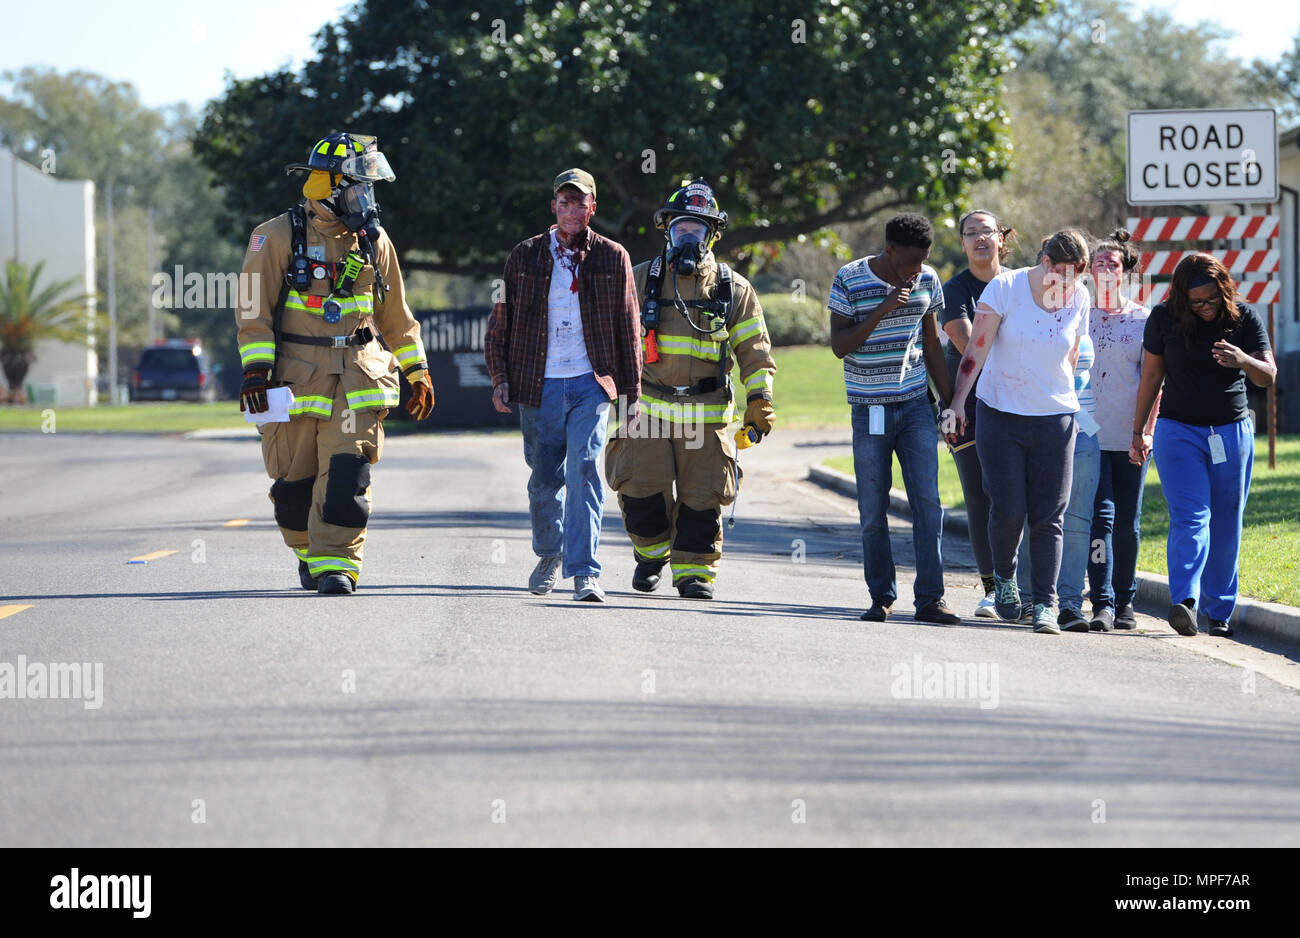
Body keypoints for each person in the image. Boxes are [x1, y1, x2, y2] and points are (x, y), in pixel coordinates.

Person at [237, 132, 433, 595]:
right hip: (295, 381)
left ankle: (337, 567)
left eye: (369, 188)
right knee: (293, 494)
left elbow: (397, 316)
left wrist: (417, 370)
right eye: (357, 187)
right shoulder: (275, 236)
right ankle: (309, 552)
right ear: (328, 186)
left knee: (348, 478)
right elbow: (252, 310)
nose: (365, 198)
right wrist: (254, 372)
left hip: (358, 380)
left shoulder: (375, 241)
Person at [605, 179, 776, 599]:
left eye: (696, 229)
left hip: (708, 413)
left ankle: (693, 574)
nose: (687, 236)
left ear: (711, 235)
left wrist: (760, 400)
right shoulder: (639, 279)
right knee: (641, 495)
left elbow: (755, 352)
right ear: (668, 230)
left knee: (702, 501)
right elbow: (609, 342)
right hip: (647, 411)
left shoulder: (733, 289)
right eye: (681, 227)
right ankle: (650, 556)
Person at [485, 168, 642, 602]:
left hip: (592, 383)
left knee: (585, 471)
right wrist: (500, 377)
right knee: (544, 480)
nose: (573, 210)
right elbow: (501, 322)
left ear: (593, 207)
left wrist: (632, 397)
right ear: (554, 206)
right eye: (565, 202)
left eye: (580, 203)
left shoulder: (613, 256)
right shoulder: (524, 255)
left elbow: (629, 328)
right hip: (538, 385)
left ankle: (585, 573)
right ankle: (550, 553)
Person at [944, 228, 1091, 634]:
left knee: (1050, 516)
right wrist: (957, 403)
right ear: (1045, 263)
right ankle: (1005, 579)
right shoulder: (1006, 288)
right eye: (1062, 272)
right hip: (1001, 413)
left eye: (1076, 273)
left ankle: (1044, 603)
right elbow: (976, 351)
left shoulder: (1080, 296)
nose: (1069, 281)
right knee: (1008, 509)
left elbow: (1073, 354)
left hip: (1056, 419)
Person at [1131, 252, 1275, 637]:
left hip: (1231, 431)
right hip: (1177, 430)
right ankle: (1186, 603)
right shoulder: (1164, 319)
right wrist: (1138, 430)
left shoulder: (1243, 318)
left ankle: (1221, 610)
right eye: (1196, 302)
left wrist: (1242, 359)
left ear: (1224, 290)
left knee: (1227, 520)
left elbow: (1268, 376)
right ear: (1182, 299)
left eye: (1211, 299)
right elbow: (1151, 375)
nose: (1205, 307)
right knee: (1191, 517)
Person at [829, 213, 961, 625]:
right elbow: (839, 345)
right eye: (910, 261)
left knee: (928, 503)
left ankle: (930, 600)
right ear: (889, 251)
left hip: (915, 405)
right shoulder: (850, 278)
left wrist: (949, 401)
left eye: (924, 260)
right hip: (871, 410)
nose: (917, 270)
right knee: (873, 507)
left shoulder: (927, 280)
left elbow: (931, 343)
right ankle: (881, 596)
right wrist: (885, 308)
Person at [939, 209, 1017, 618]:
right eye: (971, 234)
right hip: (965, 405)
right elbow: (968, 341)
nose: (979, 239)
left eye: (986, 231)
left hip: (1019, 400)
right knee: (980, 495)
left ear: (1002, 238)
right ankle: (992, 588)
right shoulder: (955, 289)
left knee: (1017, 495)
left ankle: (1020, 582)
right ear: (964, 243)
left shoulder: (1020, 284)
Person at [1085, 229, 1154, 632]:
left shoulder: (1144, 320)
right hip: (1090, 436)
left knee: (1128, 521)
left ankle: (1126, 602)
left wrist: (1144, 431)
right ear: (1089, 271)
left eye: (1114, 263)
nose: (1107, 268)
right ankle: (1102, 603)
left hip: (1131, 438)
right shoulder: (1078, 314)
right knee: (1099, 521)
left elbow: (1154, 380)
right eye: (1099, 262)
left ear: (1126, 270)